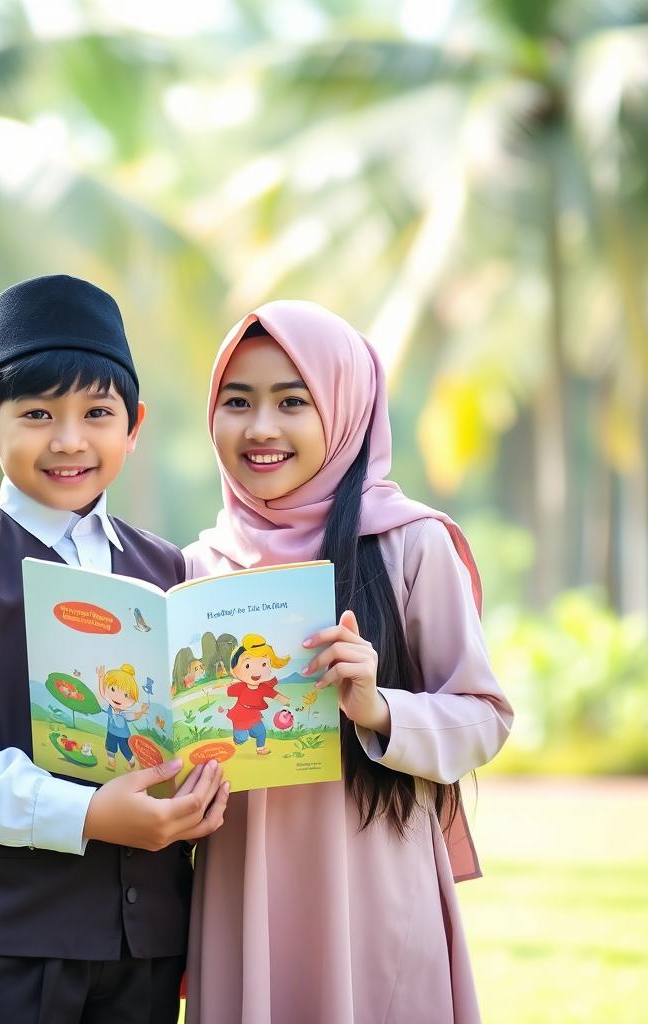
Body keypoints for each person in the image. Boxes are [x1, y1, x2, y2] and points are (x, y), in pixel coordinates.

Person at [0, 275, 229, 1024]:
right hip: (2, 945)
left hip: (143, 946)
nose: (70, 440)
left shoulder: (171, 571)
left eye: (97, 413)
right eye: (38, 414)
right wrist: (83, 815)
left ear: (134, 425)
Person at [183, 301, 514, 1023]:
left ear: (346, 408)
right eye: (237, 401)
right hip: (243, 891)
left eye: (292, 401)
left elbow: (484, 718)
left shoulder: (408, 545)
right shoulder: (199, 566)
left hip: (374, 887)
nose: (261, 427)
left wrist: (379, 707)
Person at [219, 634, 291, 755]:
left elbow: (276, 696)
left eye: (263, 664)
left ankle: (260, 749)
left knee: (261, 731)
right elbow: (226, 691)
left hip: (254, 716)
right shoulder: (240, 687)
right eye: (248, 665)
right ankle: (239, 739)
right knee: (242, 738)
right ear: (235, 669)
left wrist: (289, 703)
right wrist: (213, 688)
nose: (256, 671)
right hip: (240, 716)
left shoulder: (263, 688)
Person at [96, 662, 149, 770]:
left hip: (123, 736)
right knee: (110, 747)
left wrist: (141, 712)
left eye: (125, 695)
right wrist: (101, 678)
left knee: (125, 750)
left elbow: (134, 716)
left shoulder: (124, 714)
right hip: (111, 732)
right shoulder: (110, 708)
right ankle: (111, 763)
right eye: (113, 689)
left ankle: (132, 762)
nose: (117, 697)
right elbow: (102, 692)